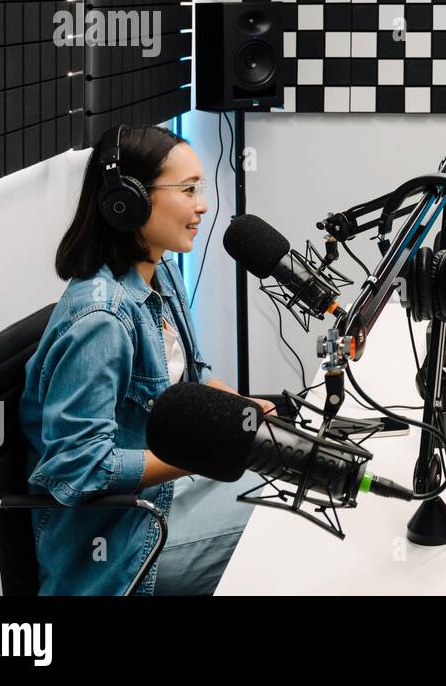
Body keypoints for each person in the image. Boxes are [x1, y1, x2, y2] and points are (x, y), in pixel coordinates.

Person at [20, 123, 272, 595]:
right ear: (128, 202)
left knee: (290, 482)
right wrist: (212, 446)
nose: (203, 205)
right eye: (188, 190)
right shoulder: (101, 319)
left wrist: (245, 411)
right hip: (121, 539)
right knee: (281, 526)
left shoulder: (162, 274)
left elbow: (192, 378)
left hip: (168, 496)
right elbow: (80, 469)